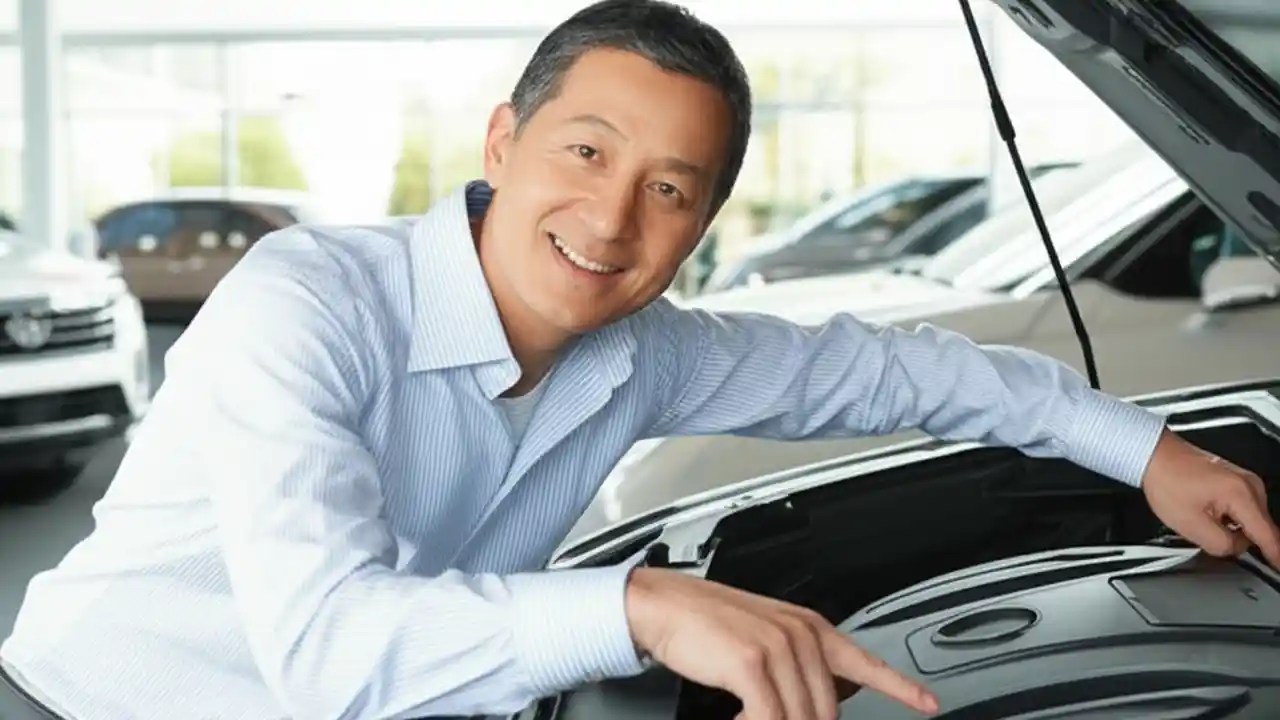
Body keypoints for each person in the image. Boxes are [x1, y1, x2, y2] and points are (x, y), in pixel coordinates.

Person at [4, 1, 1279, 719]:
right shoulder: (310, 302)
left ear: (704, 223)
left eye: (670, 189)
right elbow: (332, 647)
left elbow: (904, 373)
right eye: (584, 152)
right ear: (503, 141)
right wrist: (644, 607)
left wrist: (1149, 450)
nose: (613, 220)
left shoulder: (643, 355)